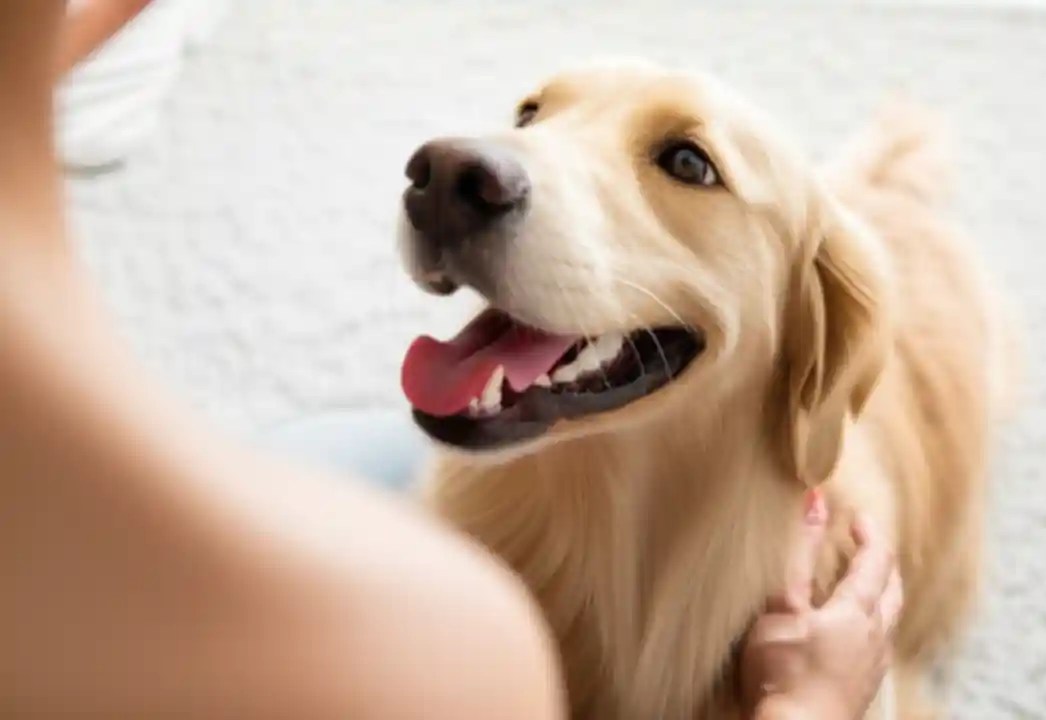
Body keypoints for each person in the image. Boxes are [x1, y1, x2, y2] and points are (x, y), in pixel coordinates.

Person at [0, 1, 902, 717]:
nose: (509, 154)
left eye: (684, 162)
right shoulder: (445, 661)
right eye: (533, 116)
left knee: (329, 446)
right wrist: (812, 707)